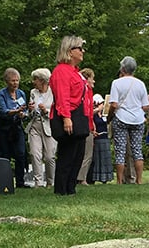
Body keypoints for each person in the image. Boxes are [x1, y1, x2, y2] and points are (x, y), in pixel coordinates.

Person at [49, 36, 92, 196]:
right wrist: (66, 117)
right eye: (79, 48)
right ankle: (61, 189)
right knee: (68, 154)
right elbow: (62, 96)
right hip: (68, 115)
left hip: (79, 115)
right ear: (69, 51)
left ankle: (70, 188)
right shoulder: (61, 71)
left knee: (78, 154)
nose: (83, 51)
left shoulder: (75, 72)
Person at [109, 56, 149, 185]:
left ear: (122, 68)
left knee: (120, 150)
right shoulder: (140, 84)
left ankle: (119, 180)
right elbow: (145, 106)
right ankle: (139, 179)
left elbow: (114, 104)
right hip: (137, 119)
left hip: (121, 117)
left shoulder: (116, 83)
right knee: (137, 149)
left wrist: (109, 117)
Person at [0, 68, 28, 189]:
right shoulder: (1, 94)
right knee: (5, 155)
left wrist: (24, 113)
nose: (15, 83)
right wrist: (16, 111)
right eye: (13, 81)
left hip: (17, 128)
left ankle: (20, 182)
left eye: (17, 80)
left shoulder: (21, 93)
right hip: (3, 128)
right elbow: (3, 111)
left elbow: (25, 109)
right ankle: (5, 182)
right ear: (7, 81)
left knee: (21, 154)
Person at [26, 68, 56, 188]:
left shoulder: (53, 92)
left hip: (49, 126)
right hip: (35, 126)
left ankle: (50, 182)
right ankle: (38, 182)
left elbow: (57, 111)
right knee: (34, 154)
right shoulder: (33, 92)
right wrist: (30, 109)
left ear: (43, 80)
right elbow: (30, 113)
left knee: (49, 157)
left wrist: (46, 111)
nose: (33, 82)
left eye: (35, 79)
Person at [77, 68, 96, 185]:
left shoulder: (86, 91)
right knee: (87, 153)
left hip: (87, 123)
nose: (94, 81)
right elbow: (86, 110)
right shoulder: (86, 91)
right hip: (85, 125)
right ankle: (82, 178)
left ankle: (79, 177)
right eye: (92, 79)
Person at [91, 94, 113, 184]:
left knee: (105, 159)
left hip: (105, 138)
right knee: (97, 159)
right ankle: (94, 177)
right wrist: (97, 110)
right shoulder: (93, 114)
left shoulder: (104, 114)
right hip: (97, 138)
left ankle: (105, 178)